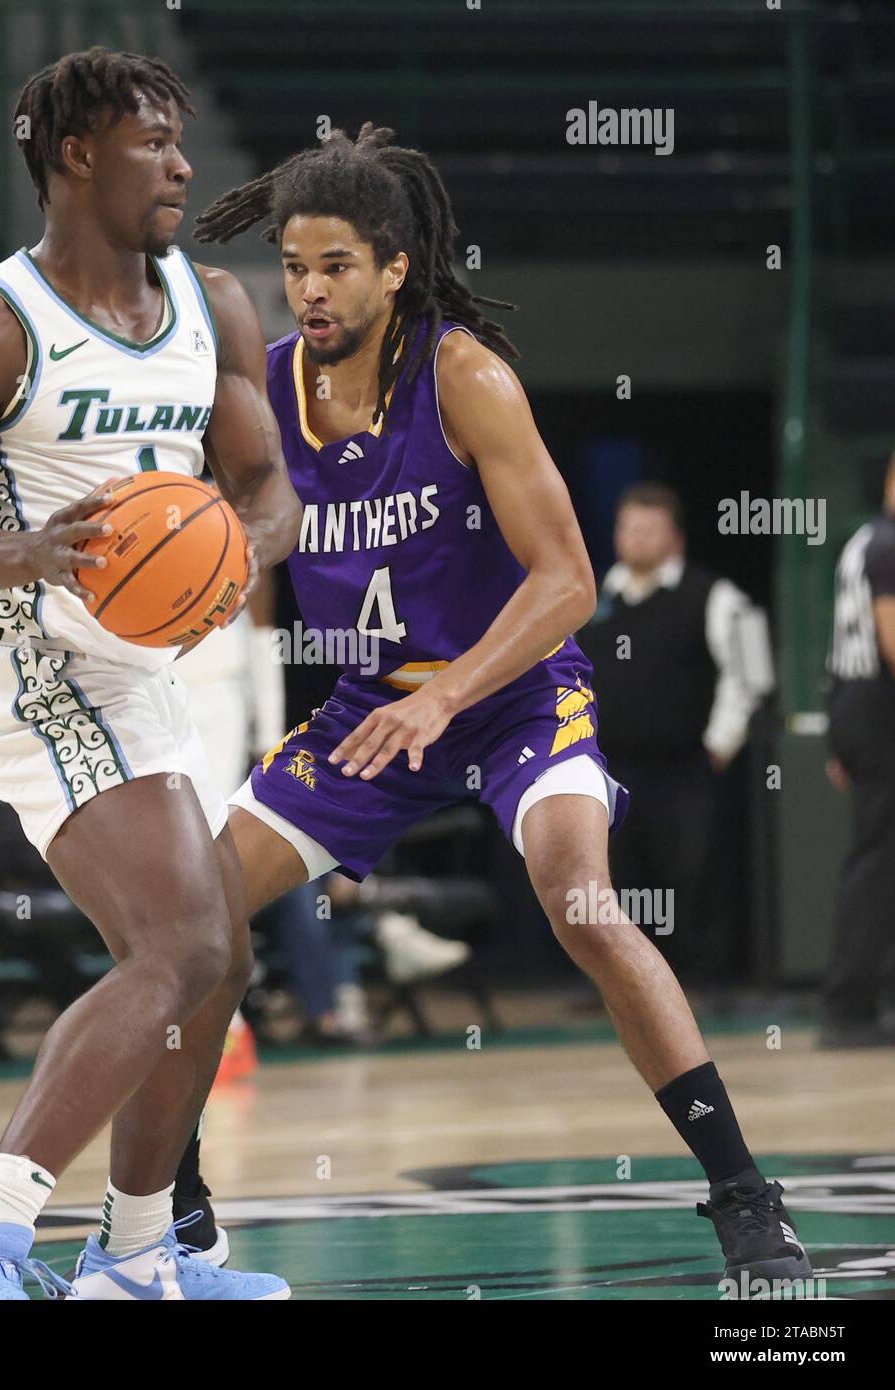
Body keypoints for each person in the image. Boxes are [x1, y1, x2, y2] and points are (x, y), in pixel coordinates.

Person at [178, 122, 811, 1287]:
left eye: (337, 268)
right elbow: (245, 558)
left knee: (582, 903)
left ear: (395, 266)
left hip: (515, 691)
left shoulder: (462, 374)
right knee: (196, 920)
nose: (310, 291)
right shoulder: (265, 391)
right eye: (295, 268)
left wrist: (450, 695)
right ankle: (175, 1203)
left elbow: (567, 579)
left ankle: (742, 1195)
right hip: (375, 707)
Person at [0, 48, 301, 1300]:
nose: (181, 165)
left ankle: (133, 1255)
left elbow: (268, 487)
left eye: (179, 140)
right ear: (73, 155)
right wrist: (37, 551)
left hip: (150, 678)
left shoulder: (214, 303)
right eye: (151, 142)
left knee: (216, 958)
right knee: (177, 944)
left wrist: (236, 555)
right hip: (38, 667)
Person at [581, 483, 771, 982]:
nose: (636, 539)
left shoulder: (716, 595)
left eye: (649, 529)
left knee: (694, 872)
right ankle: (623, 985)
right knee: (613, 879)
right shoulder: (591, 597)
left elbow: (752, 674)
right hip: (610, 771)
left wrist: (721, 742)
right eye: (628, 527)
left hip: (686, 767)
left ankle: (705, 980)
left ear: (676, 539)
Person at [821, 452, 895, 1048]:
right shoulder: (888, 544)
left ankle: (858, 1000)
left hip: (854, 704)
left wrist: (837, 734)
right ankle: (849, 1007)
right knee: (877, 860)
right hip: (878, 708)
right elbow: (891, 640)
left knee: (875, 855)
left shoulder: (864, 540)